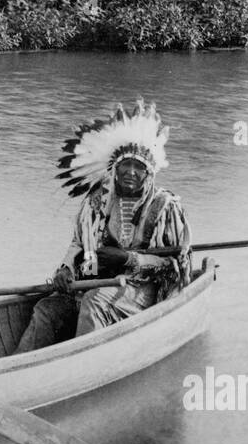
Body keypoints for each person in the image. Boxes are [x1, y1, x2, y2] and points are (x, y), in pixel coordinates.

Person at [16, 99, 191, 353]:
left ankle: (83, 363)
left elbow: (175, 264)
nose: (131, 172)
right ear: (115, 169)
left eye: (139, 167)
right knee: (49, 307)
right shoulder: (97, 202)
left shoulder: (164, 207)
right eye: (126, 165)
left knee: (95, 302)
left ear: (148, 173)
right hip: (95, 282)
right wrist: (66, 268)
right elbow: (79, 243)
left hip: (142, 288)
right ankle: (20, 364)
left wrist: (130, 259)